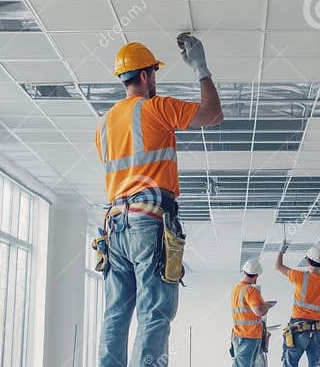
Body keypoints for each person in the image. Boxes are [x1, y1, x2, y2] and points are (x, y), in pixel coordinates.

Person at [96, 34, 224, 367]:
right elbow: (213, 115)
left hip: (113, 226)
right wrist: (201, 67)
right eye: (153, 72)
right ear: (144, 75)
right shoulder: (156, 107)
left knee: (116, 313)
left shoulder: (104, 125)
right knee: (154, 310)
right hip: (147, 221)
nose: (155, 79)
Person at [275, 244, 320, 367]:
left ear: (307, 260)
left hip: (298, 330)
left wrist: (281, 251)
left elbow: (278, 266)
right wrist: (319, 324)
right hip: (317, 334)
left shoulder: (300, 277)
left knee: (290, 364)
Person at [231, 259, 275, 367]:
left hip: (240, 335)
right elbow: (259, 311)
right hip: (249, 336)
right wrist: (267, 305)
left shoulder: (236, 289)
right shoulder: (251, 290)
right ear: (256, 275)